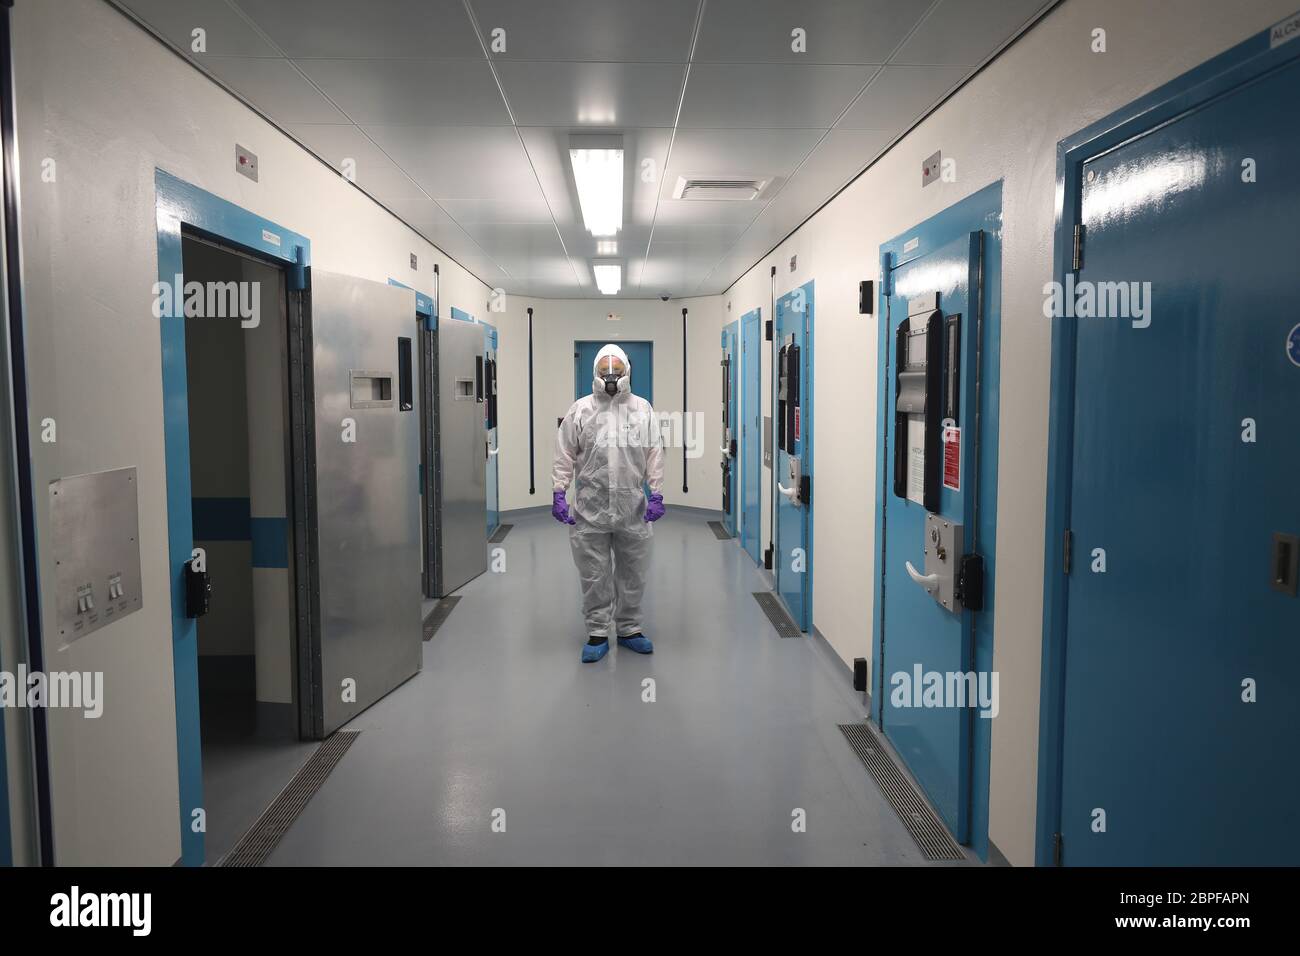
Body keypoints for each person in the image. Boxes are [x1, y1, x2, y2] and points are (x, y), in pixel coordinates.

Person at [552, 344, 666, 662]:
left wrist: (656, 492)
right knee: (593, 572)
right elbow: (563, 453)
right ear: (595, 372)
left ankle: (629, 628)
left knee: (633, 571)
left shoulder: (642, 409)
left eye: (616, 368)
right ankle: (598, 631)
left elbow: (654, 451)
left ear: (628, 371)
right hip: (589, 508)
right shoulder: (580, 410)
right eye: (605, 368)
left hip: (633, 508)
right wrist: (558, 491)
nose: (611, 374)